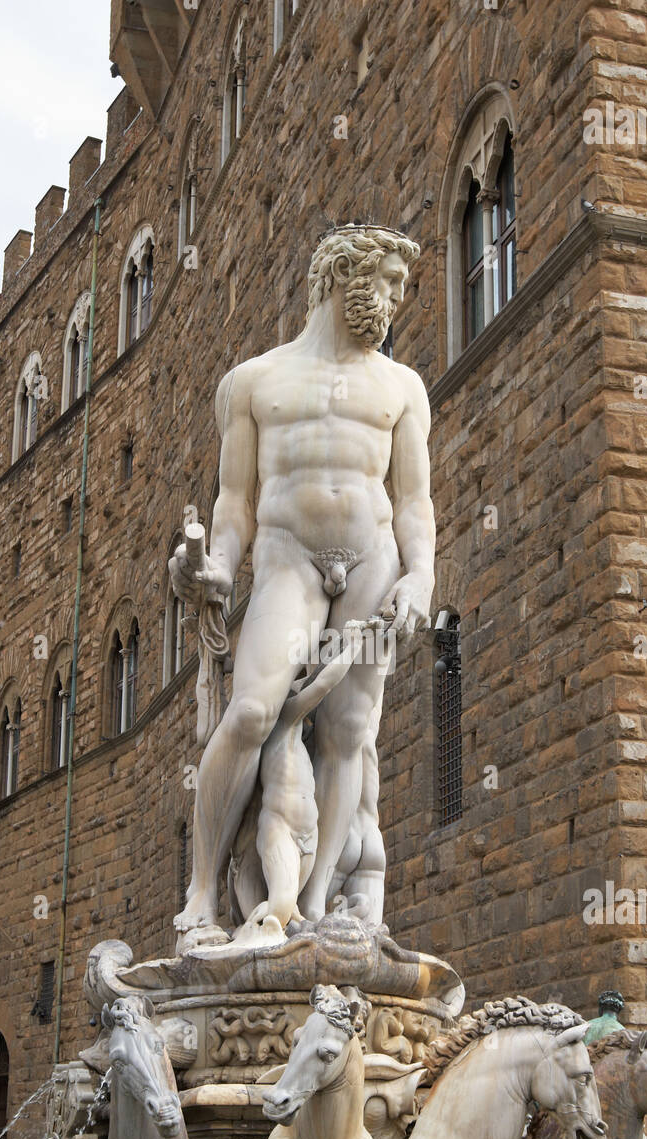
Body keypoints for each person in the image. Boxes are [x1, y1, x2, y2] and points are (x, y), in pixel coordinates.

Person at [169, 225, 435, 947]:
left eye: (397, 289)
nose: (392, 300)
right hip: (288, 558)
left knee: (349, 730)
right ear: (341, 276)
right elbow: (235, 505)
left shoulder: (403, 387)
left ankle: (312, 906)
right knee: (253, 711)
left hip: (372, 558)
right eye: (384, 282)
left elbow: (413, 502)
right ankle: (200, 896)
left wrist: (420, 576)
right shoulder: (254, 382)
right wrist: (217, 564)